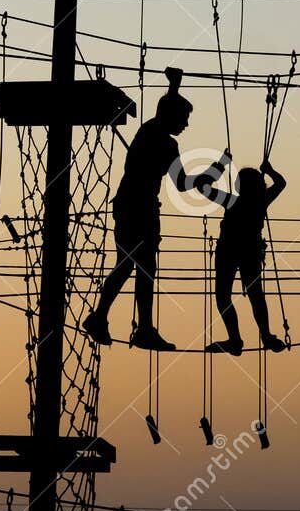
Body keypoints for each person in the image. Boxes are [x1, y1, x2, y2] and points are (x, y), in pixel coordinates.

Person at [84, 69, 226, 351]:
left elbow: (166, 108)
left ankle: (107, 319)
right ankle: (138, 327)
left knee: (129, 265)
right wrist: (216, 169)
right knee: (141, 267)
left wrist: (174, 85)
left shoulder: (149, 129)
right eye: (184, 119)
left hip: (129, 205)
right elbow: (184, 183)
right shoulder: (165, 141)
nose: (186, 124)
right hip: (141, 208)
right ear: (174, 117)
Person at [204, 160, 288, 356]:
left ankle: (235, 339)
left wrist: (221, 166)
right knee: (255, 295)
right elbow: (282, 183)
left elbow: (204, 188)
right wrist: (270, 170)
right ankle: (266, 335)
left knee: (223, 296)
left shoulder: (232, 200)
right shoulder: (262, 200)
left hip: (228, 251)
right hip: (249, 251)